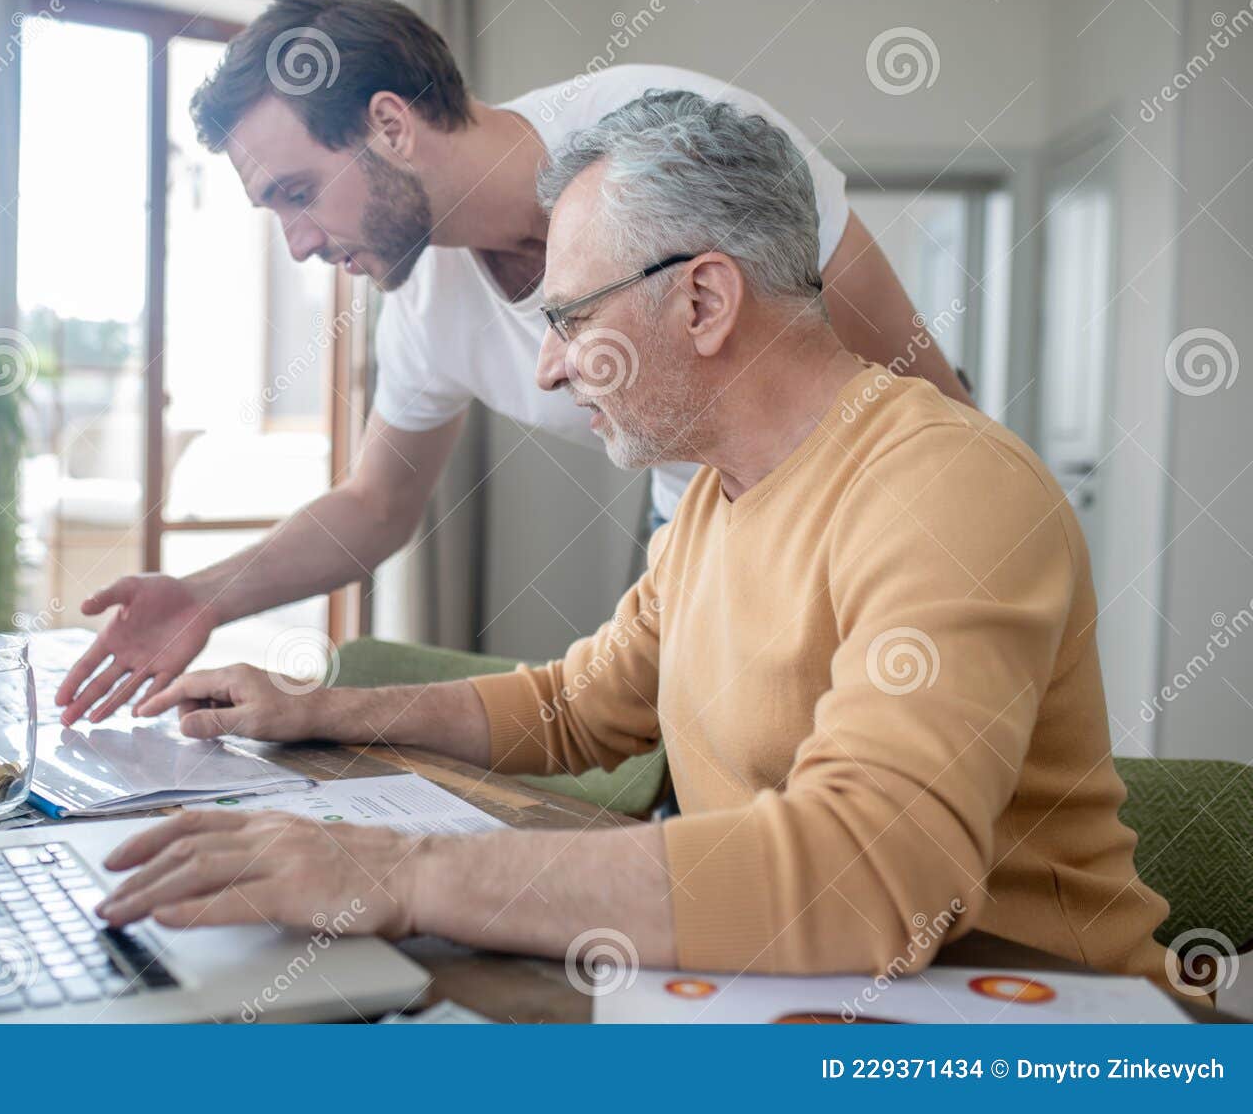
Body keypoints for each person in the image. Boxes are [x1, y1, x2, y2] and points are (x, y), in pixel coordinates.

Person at [92, 93, 1171, 988]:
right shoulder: (714, 494)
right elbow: (578, 704)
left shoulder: (946, 488)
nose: (550, 370)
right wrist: (320, 709)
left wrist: (407, 871)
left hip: (1047, 1020)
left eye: (569, 320)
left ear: (702, 299)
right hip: (818, 1000)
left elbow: (866, 877)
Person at [55, 0, 971, 726]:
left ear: (390, 125)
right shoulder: (422, 299)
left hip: (851, 549)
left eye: (299, 193)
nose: (298, 243)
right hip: (691, 552)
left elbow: (923, 393)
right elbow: (375, 505)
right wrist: (204, 598)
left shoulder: (667, 136)